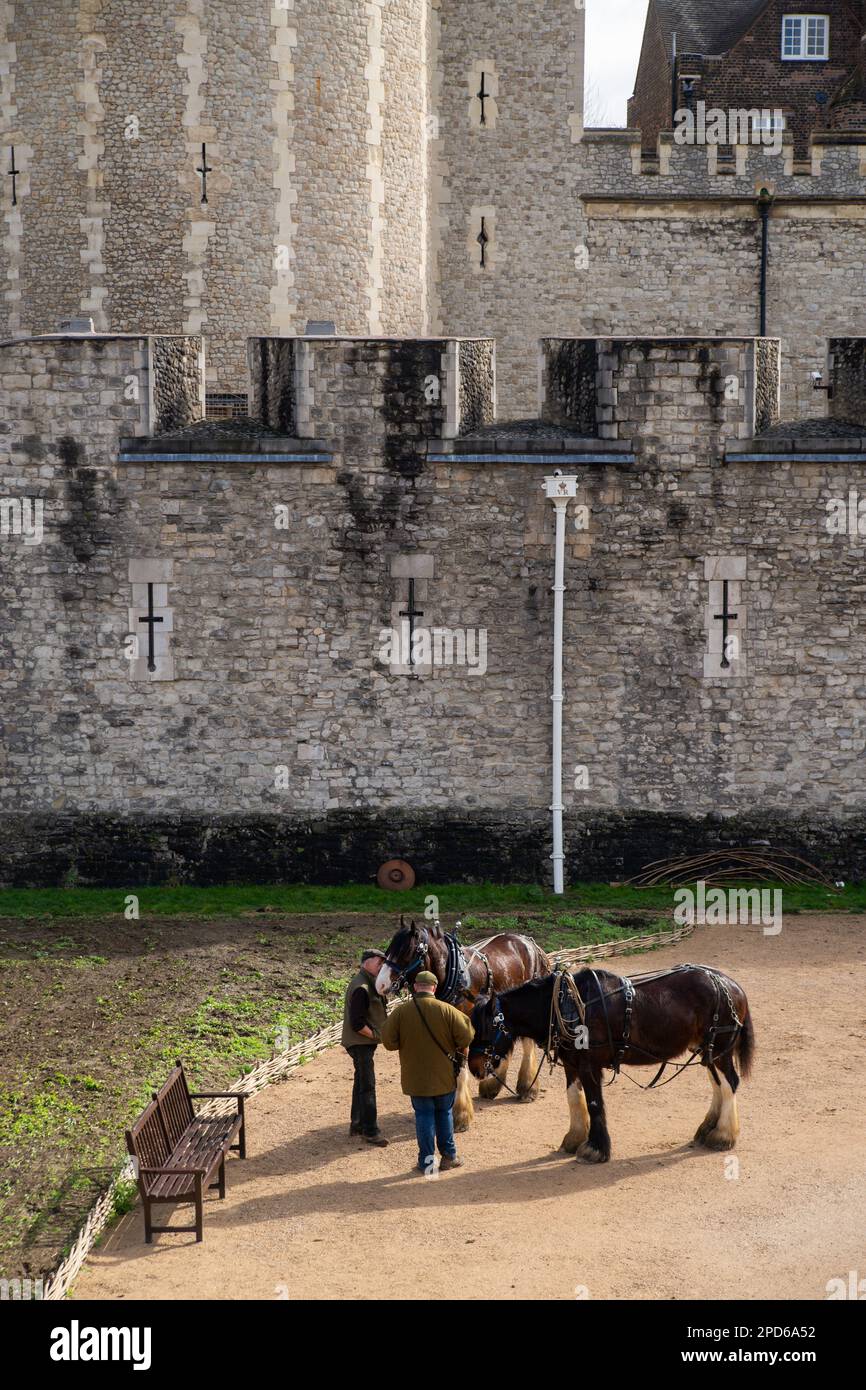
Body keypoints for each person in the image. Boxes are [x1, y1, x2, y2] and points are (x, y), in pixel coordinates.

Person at [379, 970, 474, 1175]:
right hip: (444, 1076)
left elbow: (388, 1042)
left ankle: (428, 1164)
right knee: (445, 1113)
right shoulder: (447, 1010)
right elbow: (466, 1037)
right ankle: (449, 1157)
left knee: (424, 1116)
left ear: (415, 987)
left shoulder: (401, 1012)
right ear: (434, 987)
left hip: (416, 1078)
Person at [341, 949, 388, 1147]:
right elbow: (357, 1024)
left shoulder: (368, 982)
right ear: (366, 963)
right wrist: (377, 1035)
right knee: (368, 1085)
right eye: (379, 963)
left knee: (361, 1081)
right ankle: (370, 1131)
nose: (382, 967)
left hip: (361, 1043)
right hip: (360, 1044)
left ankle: (357, 1124)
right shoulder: (361, 987)